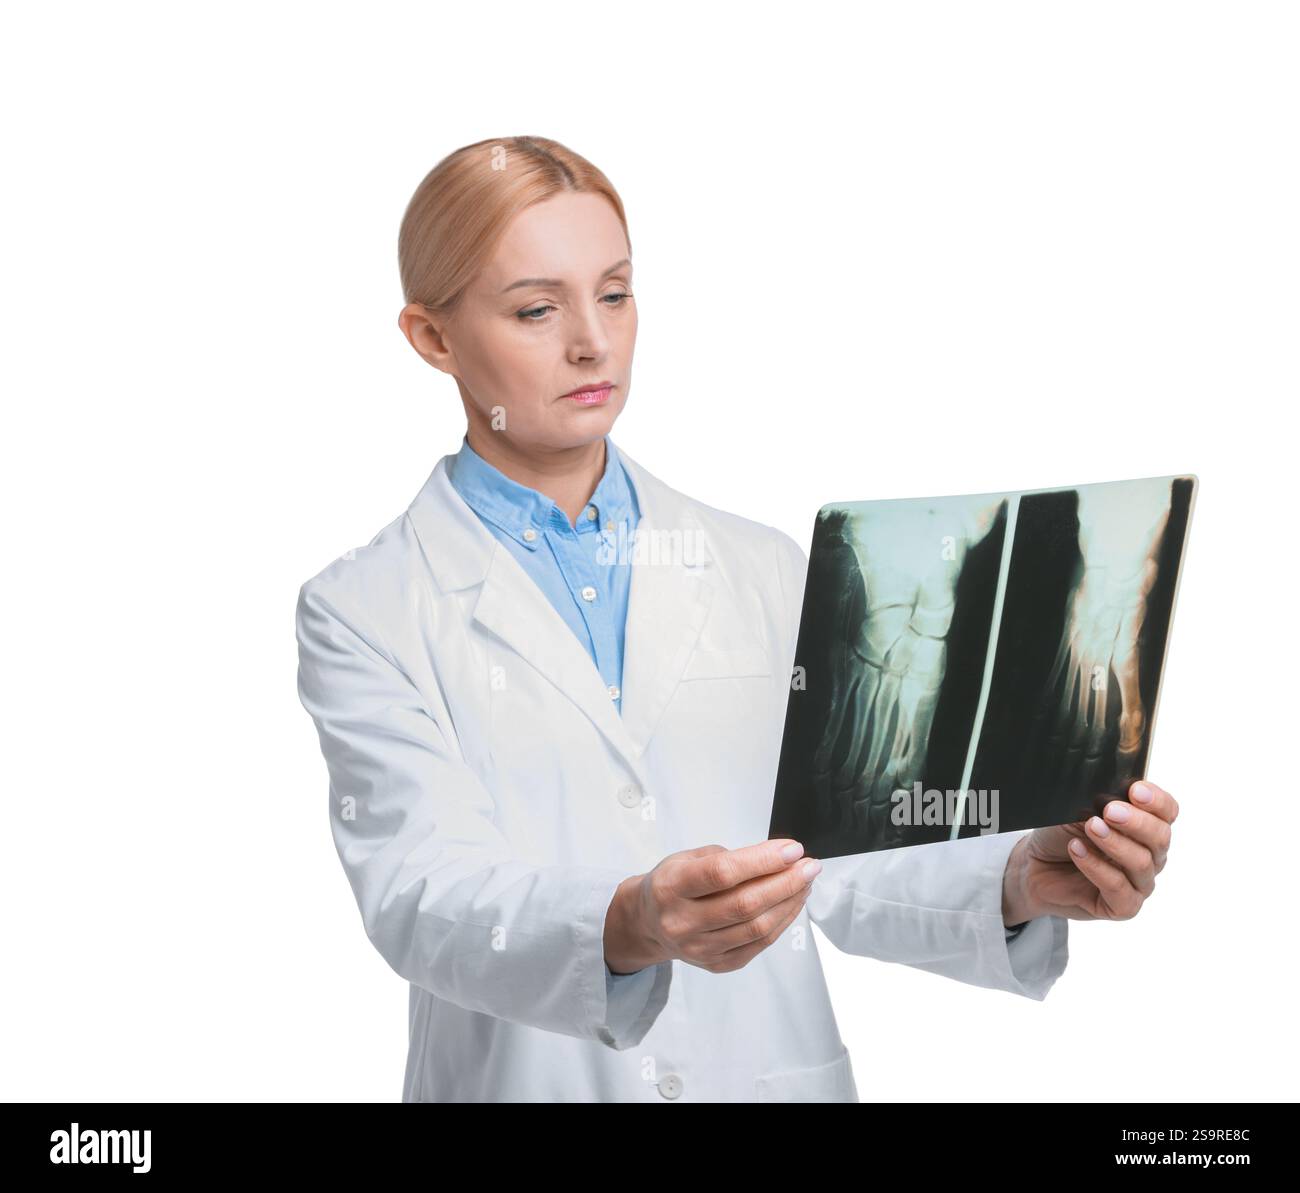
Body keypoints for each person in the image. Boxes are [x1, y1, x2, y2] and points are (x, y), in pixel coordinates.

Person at [294, 135, 1179, 1103]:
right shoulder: (366, 606)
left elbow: (838, 857)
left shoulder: (759, 568)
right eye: (536, 309)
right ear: (432, 337)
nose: (592, 341)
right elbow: (423, 894)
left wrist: (1019, 875)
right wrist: (628, 921)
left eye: (617, 293)